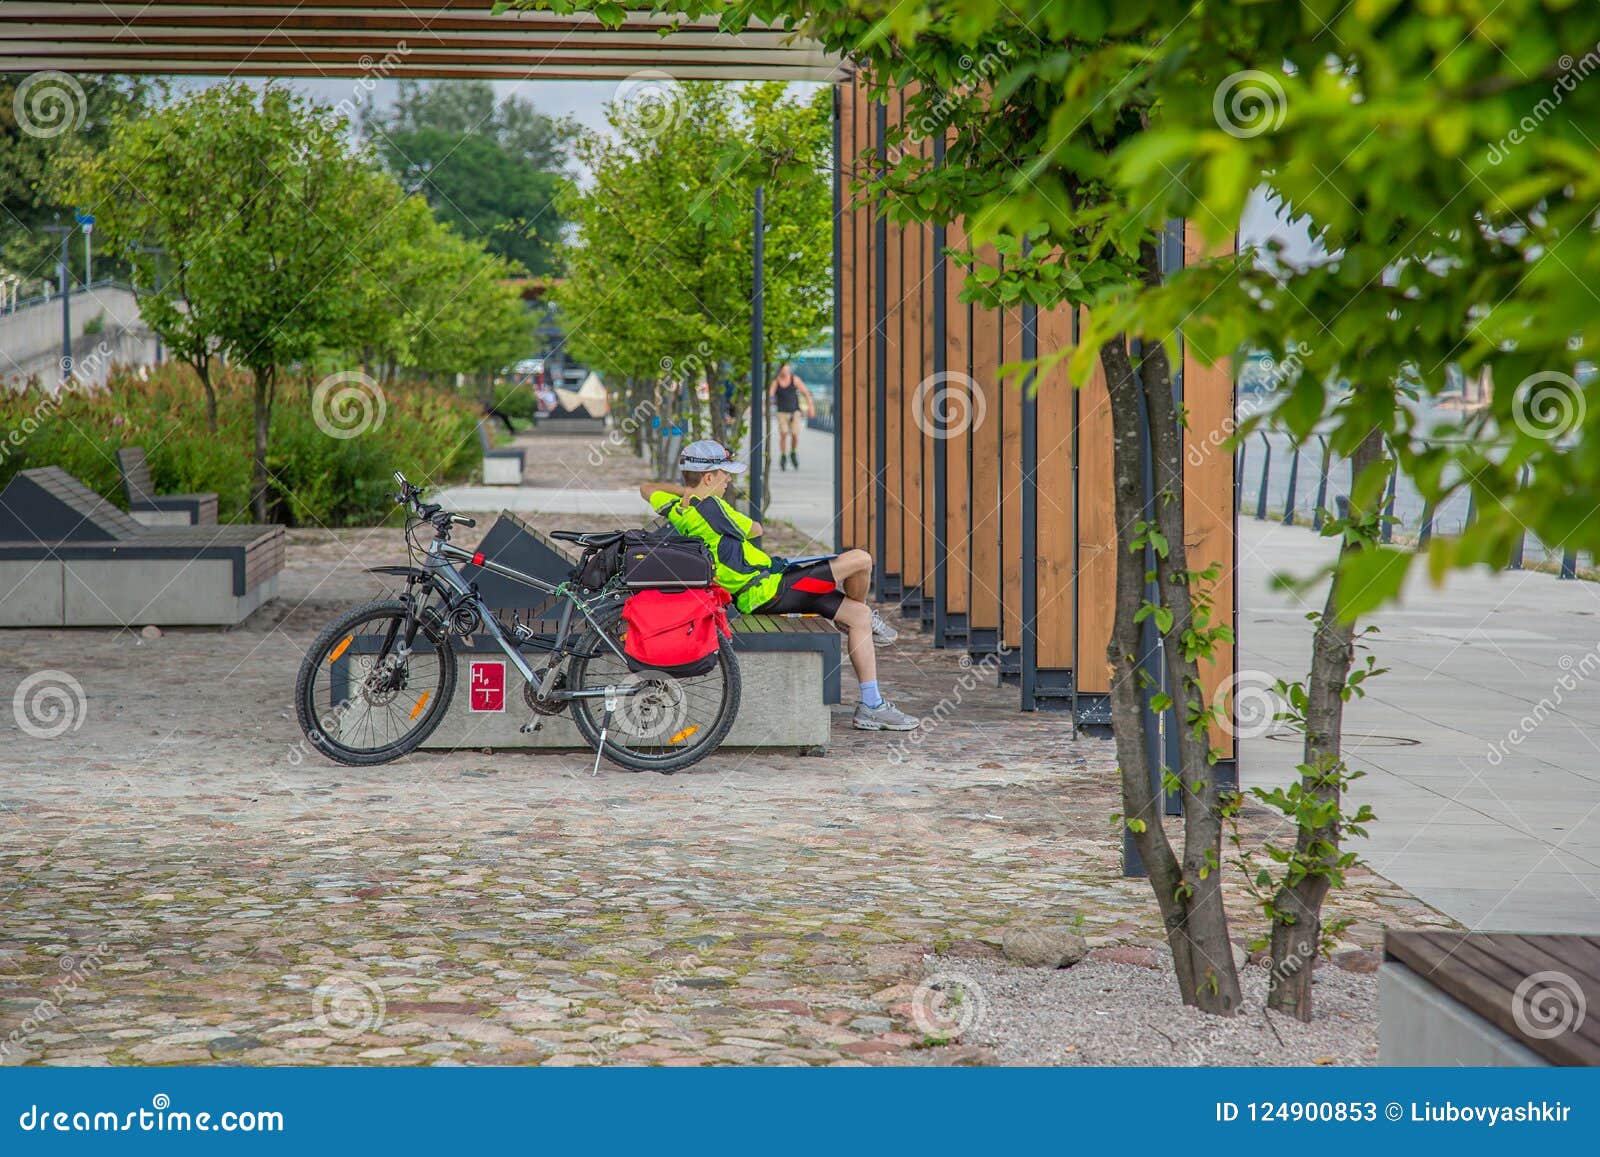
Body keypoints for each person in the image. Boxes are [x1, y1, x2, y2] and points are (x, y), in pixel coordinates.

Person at [638, 439, 918, 731]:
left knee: (856, 617)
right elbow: (756, 529)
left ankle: (871, 705)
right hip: (769, 592)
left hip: (772, 585)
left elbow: (645, 488)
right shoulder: (712, 508)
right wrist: (698, 494)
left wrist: (687, 491)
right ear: (708, 477)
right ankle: (865, 615)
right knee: (861, 559)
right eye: (724, 473)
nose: (729, 479)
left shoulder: (675, 507)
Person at [767, 364, 815, 471]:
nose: (785, 372)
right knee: (783, 433)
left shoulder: (795, 379)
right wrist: (768, 403)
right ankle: (783, 455)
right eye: (783, 370)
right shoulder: (776, 382)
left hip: (795, 412)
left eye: (787, 370)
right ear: (780, 371)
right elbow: (770, 395)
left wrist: (811, 407)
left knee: (794, 434)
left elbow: (806, 393)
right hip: (782, 412)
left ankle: (793, 452)